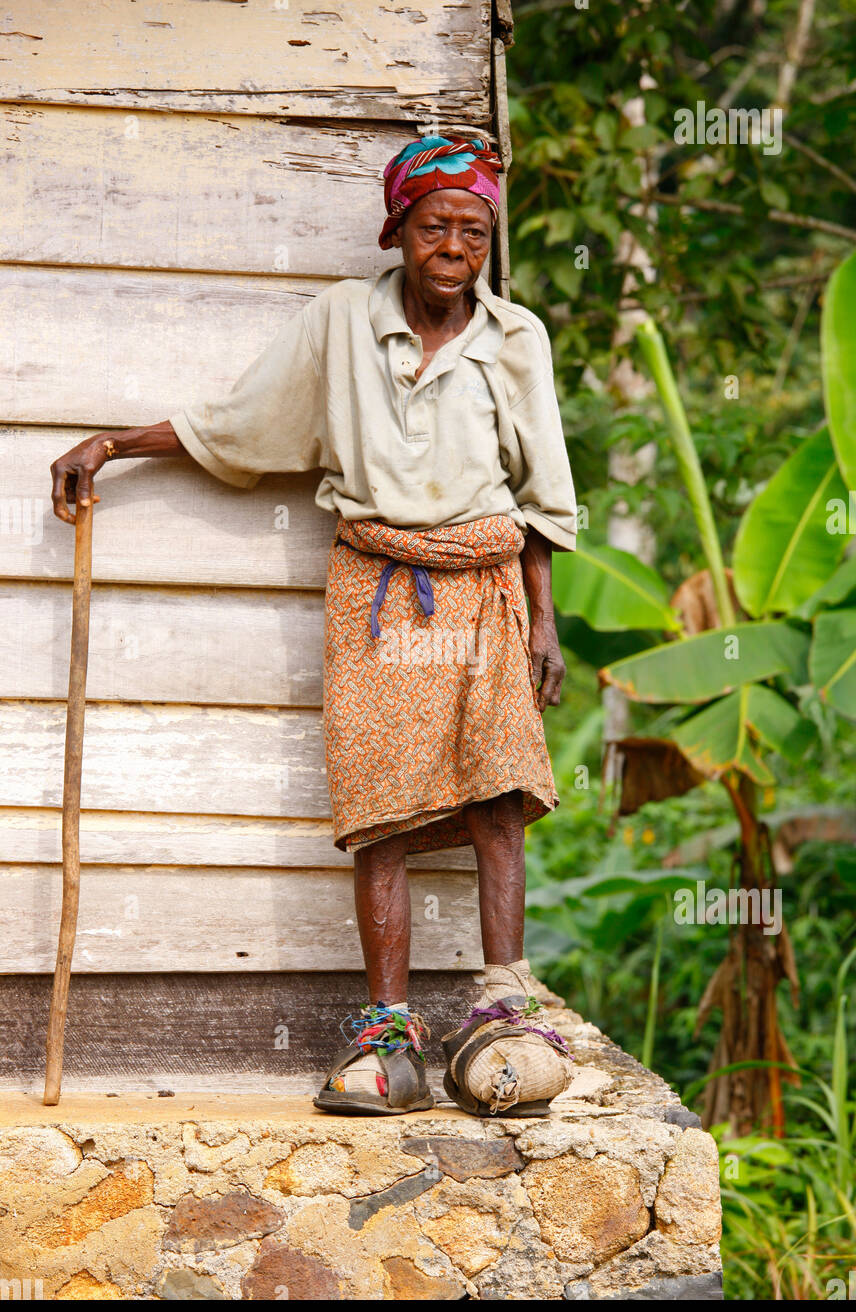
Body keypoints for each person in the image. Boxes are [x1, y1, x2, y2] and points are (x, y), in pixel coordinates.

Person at [49, 133, 579, 1118]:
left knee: (498, 789)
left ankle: (503, 1000)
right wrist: (117, 443)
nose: (453, 246)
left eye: (472, 229)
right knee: (376, 806)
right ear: (399, 230)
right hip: (374, 580)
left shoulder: (516, 339)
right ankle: (386, 1031)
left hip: (481, 582)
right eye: (434, 227)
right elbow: (242, 423)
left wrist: (541, 622)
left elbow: (541, 496)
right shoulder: (341, 322)